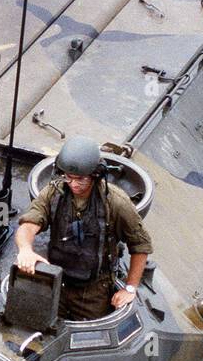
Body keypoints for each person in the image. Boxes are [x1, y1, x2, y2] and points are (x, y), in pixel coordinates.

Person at [14, 137, 153, 321]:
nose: (73, 184)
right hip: (56, 277)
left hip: (94, 289)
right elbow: (29, 224)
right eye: (67, 177)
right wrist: (25, 249)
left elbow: (141, 244)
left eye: (80, 179)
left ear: (95, 174)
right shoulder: (54, 192)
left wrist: (130, 288)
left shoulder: (116, 202)